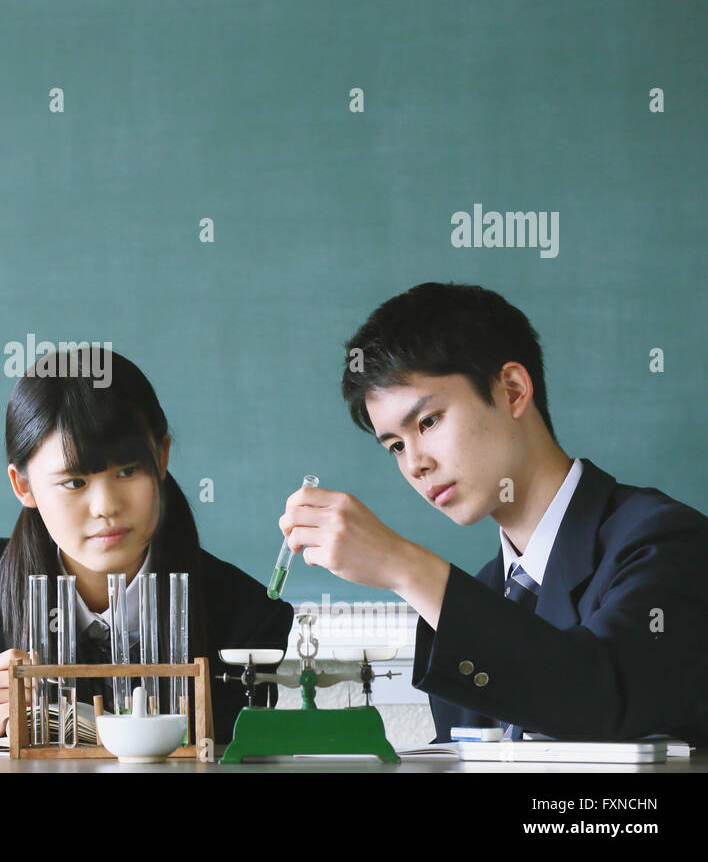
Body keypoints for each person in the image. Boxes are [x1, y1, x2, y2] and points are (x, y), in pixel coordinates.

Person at [279, 282, 708, 745]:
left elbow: (598, 699)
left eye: (428, 421)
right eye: (396, 446)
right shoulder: (480, 594)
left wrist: (402, 565)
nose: (415, 463)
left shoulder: (665, 543)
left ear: (513, 390)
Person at [0, 346, 294, 745]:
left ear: (161, 457)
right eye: (75, 482)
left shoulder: (247, 614)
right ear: (22, 486)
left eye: (127, 472)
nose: (105, 507)